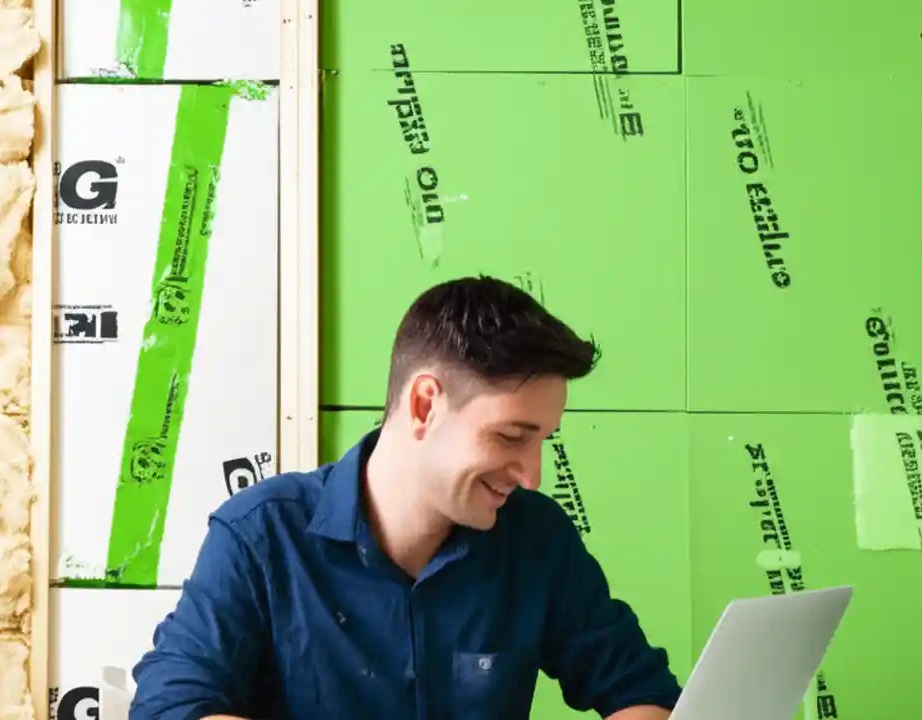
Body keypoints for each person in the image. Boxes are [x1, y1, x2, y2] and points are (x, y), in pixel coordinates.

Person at [129, 276, 683, 719]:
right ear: (424, 406)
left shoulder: (538, 539)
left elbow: (641, 692)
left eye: (542, 441)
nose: (532, 475)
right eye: (512, 437)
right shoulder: (261, 535)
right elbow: (171, 703)